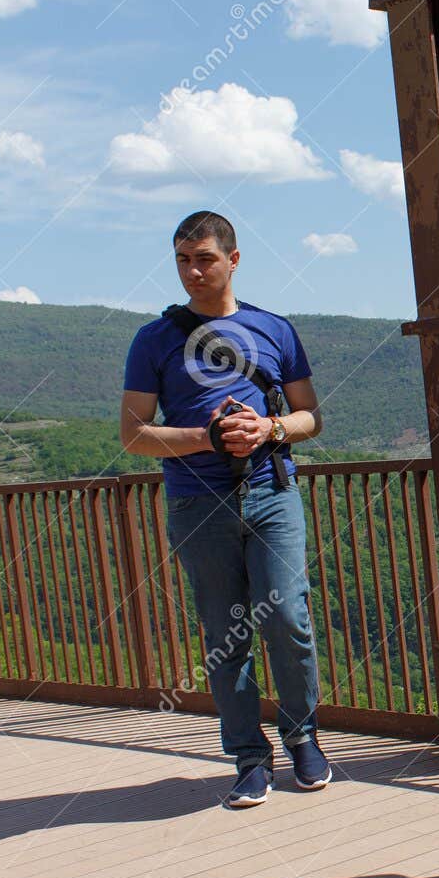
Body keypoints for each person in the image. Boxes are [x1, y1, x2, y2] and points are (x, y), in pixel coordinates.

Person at [119, 211, 331, 809]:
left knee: (288, 618)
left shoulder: (275, 330)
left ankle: (303, 738)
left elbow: (311, 416)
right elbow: (133, 434)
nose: (192, 270)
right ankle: (247, 758)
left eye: (204, 258)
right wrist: (206, 438)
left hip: (271, 492)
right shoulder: (154, 340)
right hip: (197, 502)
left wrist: (268, 428)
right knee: (225, 633)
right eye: (183, 259)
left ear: (233, 261)